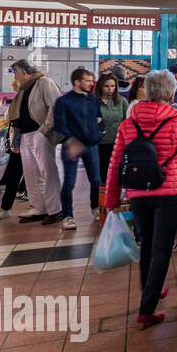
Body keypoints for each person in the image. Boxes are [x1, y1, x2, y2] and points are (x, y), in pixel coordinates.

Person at [104, 70, 177, 328]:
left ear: (147, 91)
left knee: (146, 243)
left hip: (138, 193)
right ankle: (146, 309)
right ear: (171, 93)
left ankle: (151, 289)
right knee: (161, 249)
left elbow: (116, 164)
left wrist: (112, 198)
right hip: (171, 192)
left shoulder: (129, 123)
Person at [10, 59, 62, 224]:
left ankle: (55, 210)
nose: (16, 77)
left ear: (24, 72)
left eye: (16, 73)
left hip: (40, 133)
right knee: (31, 173)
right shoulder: (24, 88)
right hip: (25, 134)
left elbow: (55, 106)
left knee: (48, 172)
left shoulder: (44, 82)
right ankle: (39, 208)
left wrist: (45, 130)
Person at [52, 67, 103, 230]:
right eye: (87, 80)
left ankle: (95, 208)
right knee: (69, 183)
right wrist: (71, 141)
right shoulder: (63, 101)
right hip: (71, 146)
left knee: (96, 180)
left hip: (91, 146)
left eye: (91, 80)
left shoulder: (93, 100)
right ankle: (67, 216)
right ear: (77, 82)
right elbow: (60, 125)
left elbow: (99, 120)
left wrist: (99, 133)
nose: (91, 83)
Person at [0, 87, 28, 221]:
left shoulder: (33, 92)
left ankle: (37, 204)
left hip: (31, 141)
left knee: (33, 173)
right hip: (20, 141)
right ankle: (6, 206)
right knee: (13, 173)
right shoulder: (23, 95)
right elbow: (15, 120)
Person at [95, 73, 128, 184]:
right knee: (101, 176)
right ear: (100, 86)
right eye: (106, 86)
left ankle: (114, 200)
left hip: (117, 144)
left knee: (116, 176)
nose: (110, 89)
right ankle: (100, 200)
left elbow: (127, 122)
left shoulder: (121, 101)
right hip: (99, 144)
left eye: (113, 86)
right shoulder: (93, 102)